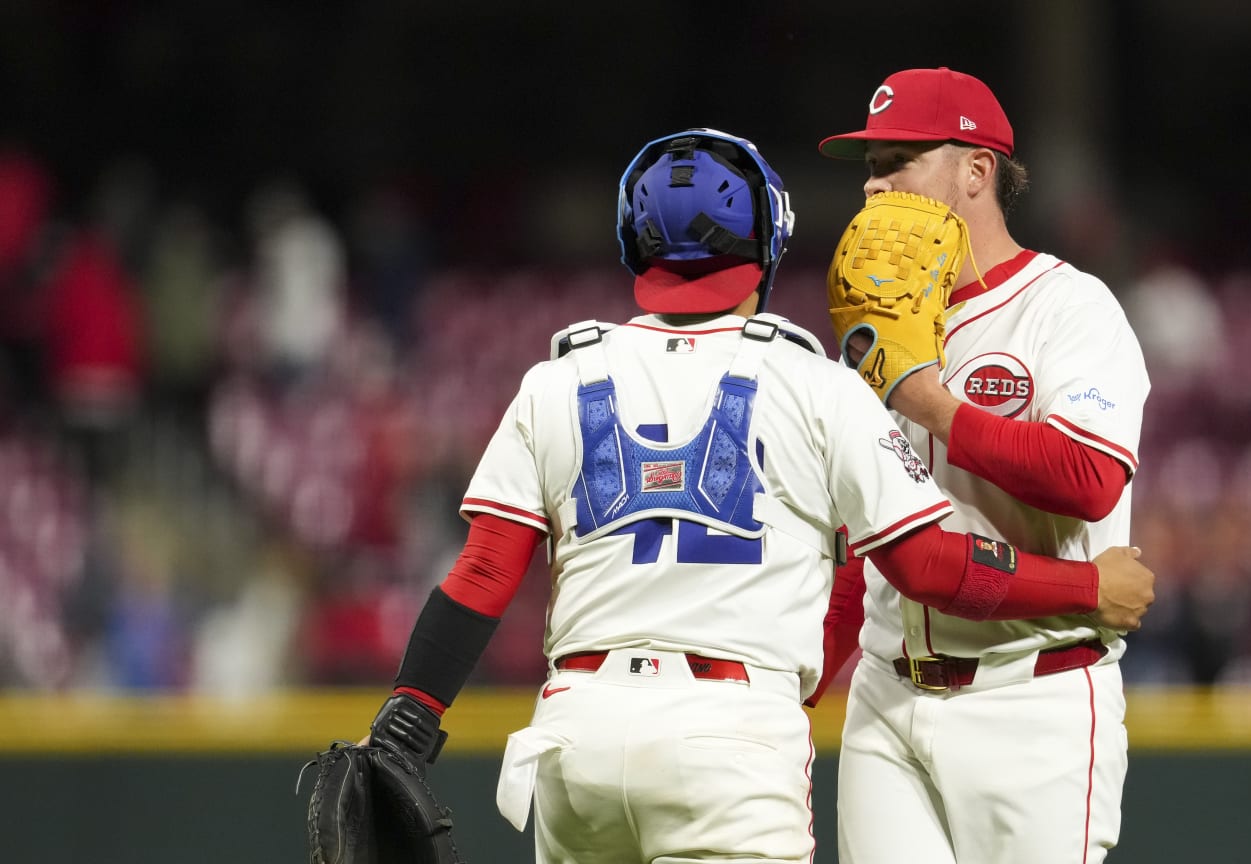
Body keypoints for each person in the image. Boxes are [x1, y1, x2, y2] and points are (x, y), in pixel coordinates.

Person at [353, 127, 1154, 863]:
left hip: (577, 736)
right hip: (730, 736)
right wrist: (1086, 587)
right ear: (771, 238)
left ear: (632, 239)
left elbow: (482, 577)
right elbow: (928, 567)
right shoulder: (815, 382)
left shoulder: (557, 378)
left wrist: (406, 723)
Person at [817, 67, 1154, 863]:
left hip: (1032, 696)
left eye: (899, 159)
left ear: (977, 169)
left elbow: (1087, 477)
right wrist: (799, 695)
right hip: (885, 697)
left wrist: (929, 402)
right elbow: (853, 543)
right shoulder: (875, 330)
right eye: (869, 166)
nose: (876, 186)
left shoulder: (1067, 306)